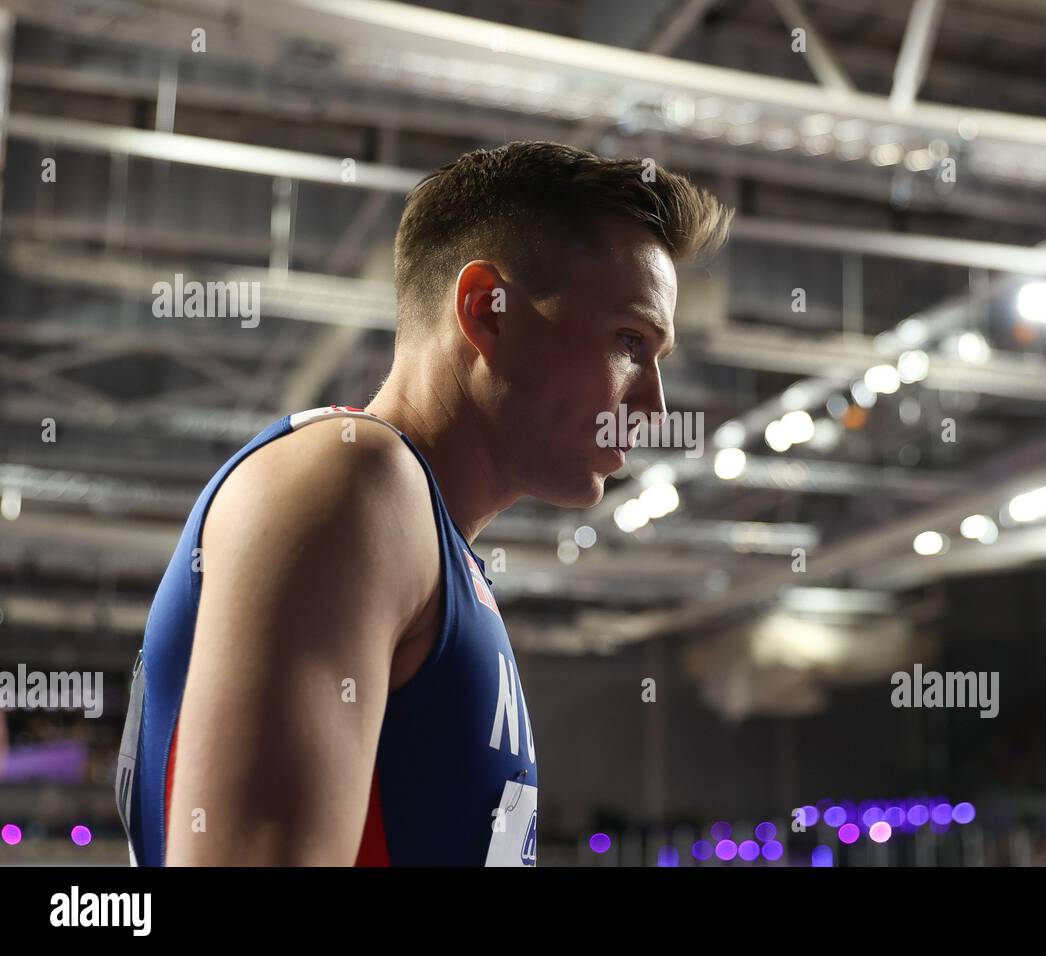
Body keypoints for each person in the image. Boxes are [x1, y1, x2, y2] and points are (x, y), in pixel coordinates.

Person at [116, 141, 732, 866]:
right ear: (487, 311)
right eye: (630, 341)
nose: (654, 407)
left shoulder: (428, 543)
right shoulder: (353, 479)